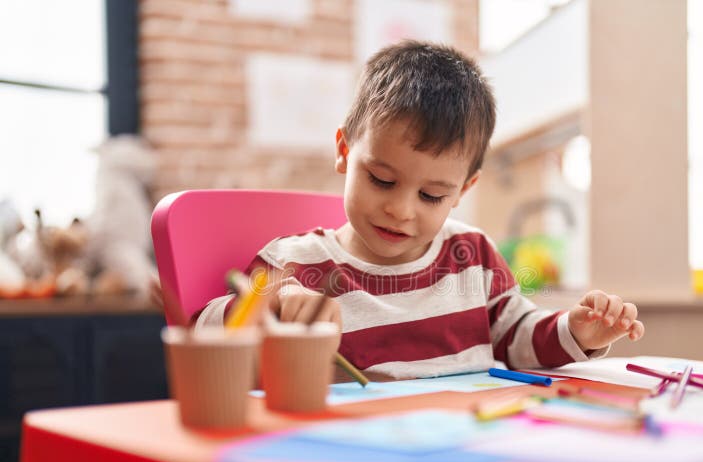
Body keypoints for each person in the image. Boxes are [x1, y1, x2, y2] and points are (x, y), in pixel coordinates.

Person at [195, 40, 644, 379]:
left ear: (462, 190)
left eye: (431, 196)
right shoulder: (294, 265)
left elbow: (518, 336)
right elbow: (203, 336)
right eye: (381, 179)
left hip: (467, 447)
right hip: (350, 457)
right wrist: (274, 303)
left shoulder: (472, 256)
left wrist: (577, 332)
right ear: (345, 152)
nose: (400, 209)